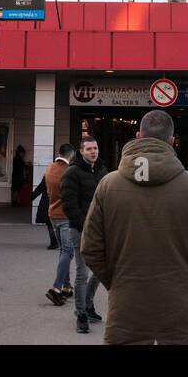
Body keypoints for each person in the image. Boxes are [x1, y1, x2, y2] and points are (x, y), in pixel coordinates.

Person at [81, 110, 188, 344]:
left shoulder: (108, 185)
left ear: (138, 137)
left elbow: (90, 247)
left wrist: (116, 281)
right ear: (171, 141)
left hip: (126, 302)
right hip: (180, 304)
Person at [59, 136, 110, 333]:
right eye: (88, 149)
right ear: (81, 152)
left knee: (100, 269)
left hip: (100, 229)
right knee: (82, 272)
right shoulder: (72, 173)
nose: (93, 152)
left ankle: (88, 305)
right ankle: (80, 313)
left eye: (95, 148)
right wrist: (86, 226)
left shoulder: (102, 170)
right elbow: (69, 206)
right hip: (79, 229)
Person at [43, 143, 74, 306]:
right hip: (66, 216)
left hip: (52, 214)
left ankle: (67, 287)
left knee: (64, 251)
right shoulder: (69, 171)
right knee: (68, 251)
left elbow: (49, 192)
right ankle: (56, 288)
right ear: (72, 154)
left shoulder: (49, 168)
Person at [30, 172, 57, 249]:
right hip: (59, 203)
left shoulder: (48, 177)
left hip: (47, 203)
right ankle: (61, 242)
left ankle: (54, 242)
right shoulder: (63, 175)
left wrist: (32, 197)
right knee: (60, 224)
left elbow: (39, 189)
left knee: (50, 224)